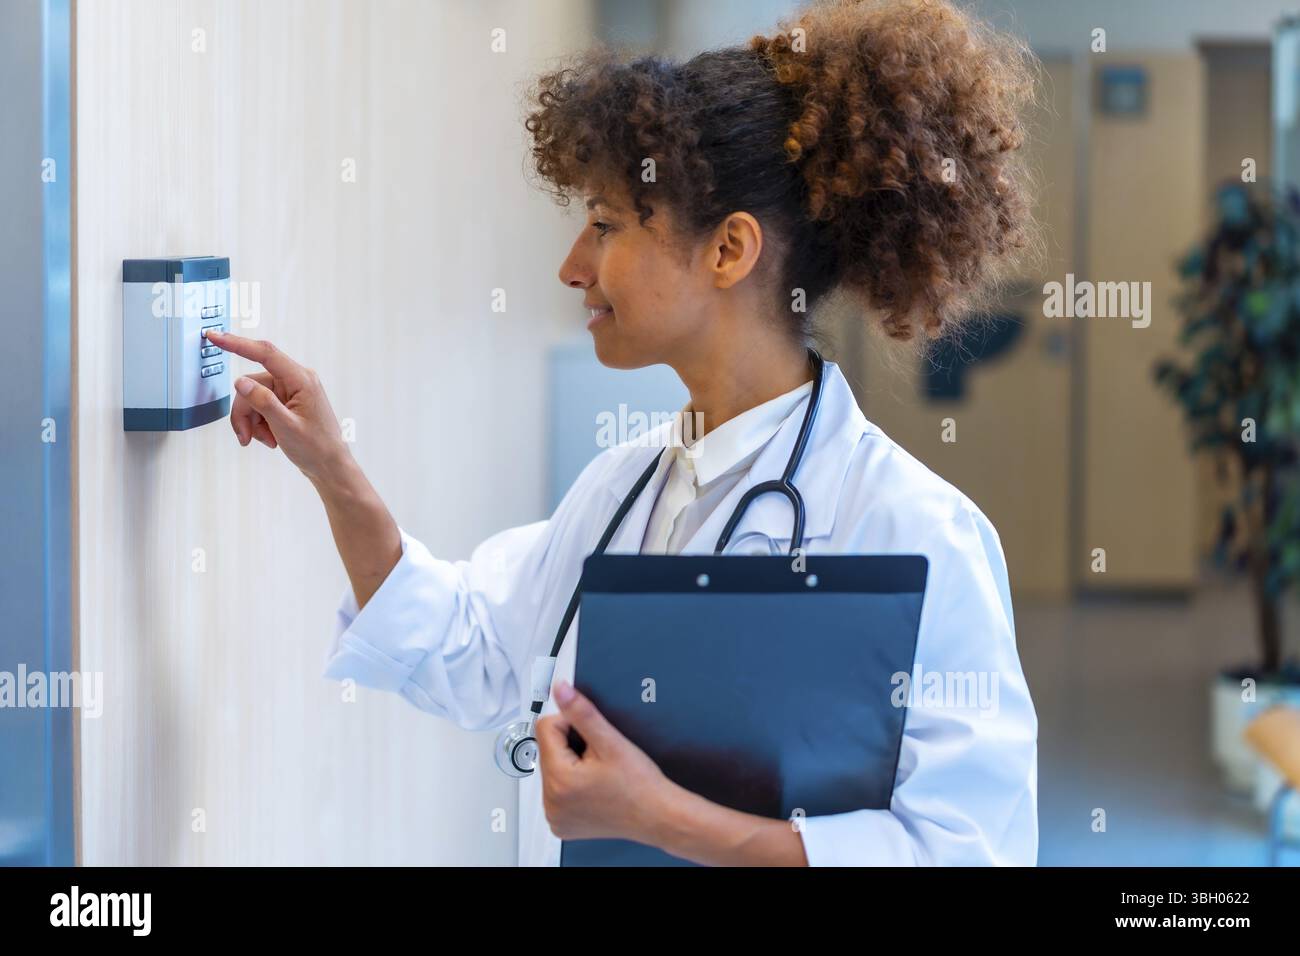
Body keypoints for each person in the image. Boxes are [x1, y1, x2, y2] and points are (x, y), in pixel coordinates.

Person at [205, 0, 1040, 866]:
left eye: (605, 224)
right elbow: (477, 648)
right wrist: (334, 470)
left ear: (728, 251)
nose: (572, 266)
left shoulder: (917, 532)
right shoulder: (625, 486)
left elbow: (961, 853)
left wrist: (657, 816)